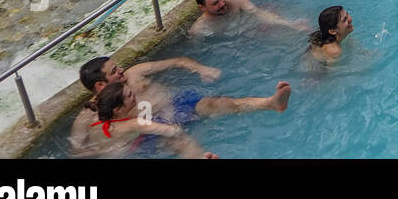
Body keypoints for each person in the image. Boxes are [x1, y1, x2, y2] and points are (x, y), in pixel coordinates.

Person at [70, 55, 291, 155]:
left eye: (118, 66)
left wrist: (201, 69)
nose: (121, 71)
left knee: (218, 103)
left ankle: (270, 103)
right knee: (179, 141)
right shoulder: (89, 114)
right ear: (100, 85)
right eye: (114, 71)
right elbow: (79, 148)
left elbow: (178, 61)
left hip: (176, 105)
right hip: (149, 131)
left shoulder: (134, 73)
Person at [85, 81, 218, 159]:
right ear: (118, 109)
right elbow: (172, 131)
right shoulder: (134, 124)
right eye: (130, 96)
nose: (135, 95)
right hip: (132, 152)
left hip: (112, 152)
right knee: (178, 139)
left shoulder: (96, 119)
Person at [188, 0, 310, 36]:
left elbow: (258, 13)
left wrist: (291, 24)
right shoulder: (199, 29)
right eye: (215, 3)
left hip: (252, 29)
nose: (222, 4)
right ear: (202, 7)